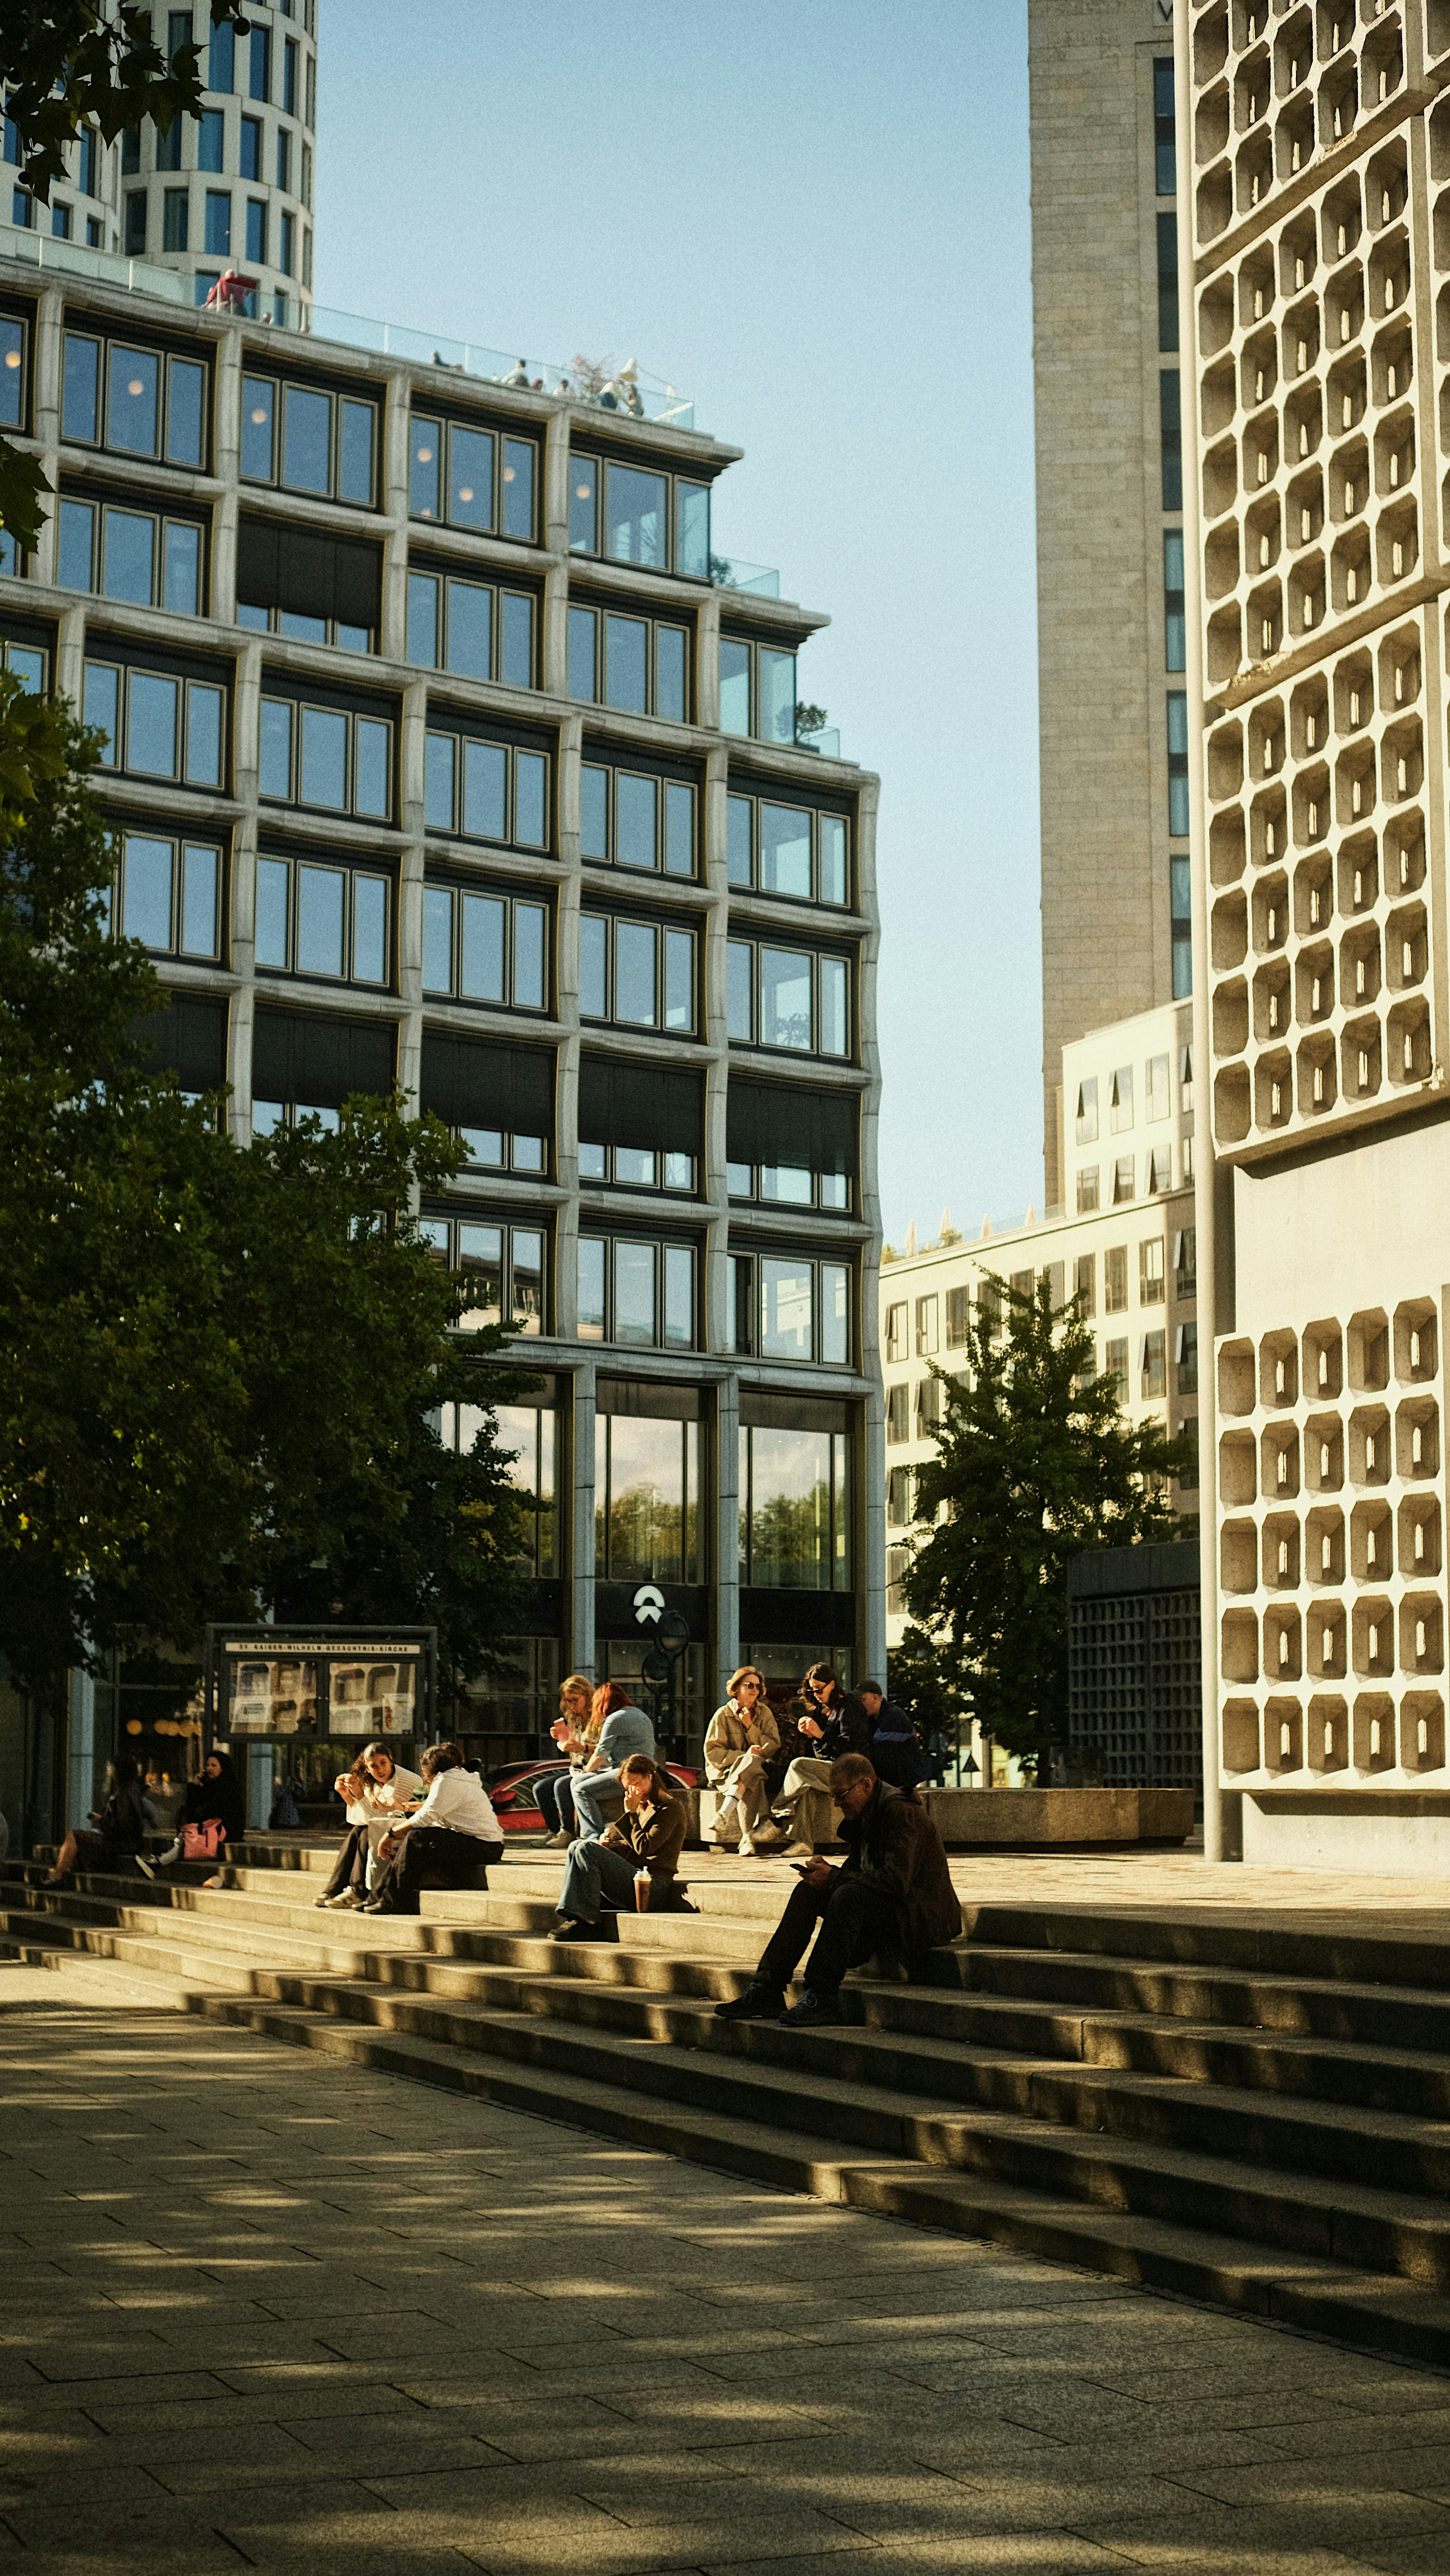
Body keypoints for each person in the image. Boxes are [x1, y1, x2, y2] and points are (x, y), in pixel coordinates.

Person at [716, 1753, 961, 2027]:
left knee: (847, 1894)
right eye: (834, 1797)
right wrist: (829, 1873)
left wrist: (835, 1877)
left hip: (923, 1916)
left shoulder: (900, 1812)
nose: (838, 1804)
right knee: (808, 1890)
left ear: (866, 1785)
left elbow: (896, 1881)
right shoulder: (866, 1811)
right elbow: (859, 1871)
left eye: (842, 1795)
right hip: (890, 1905)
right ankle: (766, 1989)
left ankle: (822, 1996)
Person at [547, 1754, 692, 1941]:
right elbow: (629, 1844)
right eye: (627, 1786)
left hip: (652, 1887)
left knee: (585, 1849)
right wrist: (611, 1844)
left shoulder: (670, 1809)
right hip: (633, 1877)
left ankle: (587, 1922)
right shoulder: (642, 1805)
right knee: (577, 1846)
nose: (633, 1790)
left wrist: (630, 1813)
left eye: (636, 1783)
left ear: (650, 1776)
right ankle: (575, 1916)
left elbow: (644, 1847)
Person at [362, 1742, 504, 1915]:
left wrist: (391, 1834)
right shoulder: (455, 1778)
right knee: (414, 1839)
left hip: (485, 1846)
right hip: (481, 1844)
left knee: (416, 1837)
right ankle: (379, 1895)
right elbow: (433, 1817)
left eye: (423, 1770)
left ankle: (393, 1901)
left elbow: (427, 1816)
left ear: (429, 1769)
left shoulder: (447, 1781)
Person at [772, 1662, 870, 1859]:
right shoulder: (823, 1710)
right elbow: (821, 1755)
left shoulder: (849, 1708)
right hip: (831, 1769)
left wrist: (821, 1734)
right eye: (812, 1690)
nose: (816, 1694)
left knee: (799, 1765)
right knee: (805, 1787)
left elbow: (851, 1751)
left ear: (832, 1685)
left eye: (819, 1689)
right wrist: (812, 1736)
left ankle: (777, 1817)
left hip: (851, 1773)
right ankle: (804, 1843)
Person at [315, 1742, 423, 1909]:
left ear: (391, 1760)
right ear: (367, 1767)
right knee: (359, 1831)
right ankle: (335, 1888)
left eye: (383, 1763)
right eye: (374, 1766)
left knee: (364, 1833)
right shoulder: (371, 1780)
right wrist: (347, 1796)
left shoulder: (403, 1781)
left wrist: (358, 1794)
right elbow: (360, 1819)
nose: (380, 1770)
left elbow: (380, 1821)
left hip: (406, 1831)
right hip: (386, 1829)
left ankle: (357, 1890)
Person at [704, 1667, 782, 1856]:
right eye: (749, 1685)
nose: (755, 1689)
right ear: (737, 1688)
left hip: (757, 1769)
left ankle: (724, 1814)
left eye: (758, 1686)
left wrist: (749, 1726)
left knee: (753, 1766)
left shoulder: (765, 1713)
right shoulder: (723, 1715)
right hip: (725, 1772)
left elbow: (773, 1746)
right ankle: (748, 1836)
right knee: (752, 1771)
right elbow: (713, 1753)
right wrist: (743, 1757)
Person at [45, 1756, 154, 1885]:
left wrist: (101, 1821)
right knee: (77, 1842)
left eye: (112, 1769)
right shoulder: (132, 1790)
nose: (110, 1772)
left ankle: (57, 1875)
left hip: (119, 1845)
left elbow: (121, 1826)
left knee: (73, 1836)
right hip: (126, 1843)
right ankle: (61, 1873)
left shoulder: (125, 1794)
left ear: (119, 1771)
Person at [569, 1683, 655, 1839]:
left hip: (626, 1773)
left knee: (580, 1790)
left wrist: (586, 1771)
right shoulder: (641, 1715)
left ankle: (593, 1836)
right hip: (643, 1771)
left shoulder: (615, 1719)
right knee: (577, 1782)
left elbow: (601, 1754)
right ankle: (605, 1825)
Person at [149, 1750, 246, 1881]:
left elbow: (209, 1811)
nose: (209, 1769)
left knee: (188, 1835)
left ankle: (160, 1862)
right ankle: (160, 1861)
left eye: (214, 1766)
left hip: (226, 1830)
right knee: (188, 1833)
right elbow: (194, 1804)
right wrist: (195, 1785)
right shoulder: (209, 1785)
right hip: (212, 1827)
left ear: (223, 1768)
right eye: (208, 1765)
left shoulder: (226, 1787)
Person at [536, 1673, 596, 1846]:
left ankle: (567, 1831)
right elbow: (570, 1743)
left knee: (561, 1785)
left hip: (593, 1768)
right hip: (576, 1768)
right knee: (540, 1788)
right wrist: (560, 1737)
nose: (572, 1705)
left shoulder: (598, 1719)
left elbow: (604, 1748)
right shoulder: (573, 1718)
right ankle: (553, 1831)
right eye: (568, 1700)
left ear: (587, 1695)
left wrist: (581, 1747)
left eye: (575, 1700)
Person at [855, 1683, 929, 1793]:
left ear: (875, 1698)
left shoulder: (894, 1716)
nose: (859, 1704)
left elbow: (880, 1752)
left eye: (862, 1699)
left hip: (905, 1780)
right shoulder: (875, 1719)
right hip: (897, 1779)